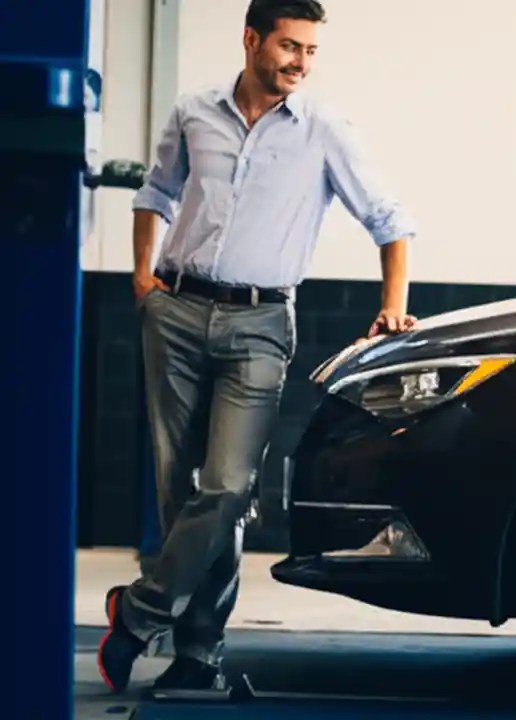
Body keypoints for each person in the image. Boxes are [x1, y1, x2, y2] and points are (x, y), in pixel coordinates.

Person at [98, 0, 418, 694]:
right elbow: (155, 190)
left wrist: (393, 307)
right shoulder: (194, 111)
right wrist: (143, 280)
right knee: (175, 487)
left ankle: (140, 612)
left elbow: (390, 221)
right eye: (289, 46)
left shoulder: (325, 130)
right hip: (176, 313)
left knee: (228, 488)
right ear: (251, 40)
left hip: (261, 324)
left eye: (310, 50)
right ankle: (197, 656)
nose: (301, 62)